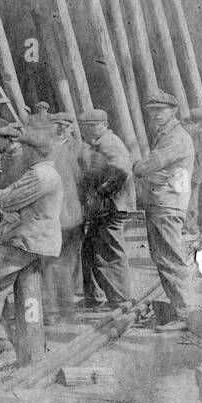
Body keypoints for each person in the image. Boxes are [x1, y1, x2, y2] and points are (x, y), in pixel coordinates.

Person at [0, 124, 64, 362]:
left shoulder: (39, 175)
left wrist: (9, 204)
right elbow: (8, 200)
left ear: (33, 151)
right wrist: (11, 205)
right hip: (29, 238)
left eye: (22, 148)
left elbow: (3, 199)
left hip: (24, 241)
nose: (18, 152)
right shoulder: (41, 172)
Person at [133, 90, 195, 331]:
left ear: (174, 111)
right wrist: (152, 174)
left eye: (161, 111)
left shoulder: (176, 138)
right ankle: (180, 310)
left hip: (167, 204)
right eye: (152, 112)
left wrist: (144, 169)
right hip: (163, 202)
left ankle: (185, 313)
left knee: (170, 258)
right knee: (163, 258)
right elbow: (152, 170)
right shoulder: (167, 135)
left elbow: (146, 166)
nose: (156, 116)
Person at [78, 108, 134, 308]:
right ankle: (95, 297)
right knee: (90, 250)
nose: (85, 131)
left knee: (110, 251)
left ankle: (120, 299)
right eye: (84, 127)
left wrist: (99, 194)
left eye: (89, 127)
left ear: (102, 126)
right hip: (105, 206)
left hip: (112, 206)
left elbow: (120, 173)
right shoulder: (101, 144)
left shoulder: (109, 144)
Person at [43, 111, 86, 321]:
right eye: (56, 124)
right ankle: (51, 312)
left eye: (65, 125)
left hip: (72, 214)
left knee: (67, 265)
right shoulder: (42, 149)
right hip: (49, 216)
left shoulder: (79, 148)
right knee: (49, 264)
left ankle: (67, 311)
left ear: (71, 128)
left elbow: (93, 176)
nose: (60, 128)